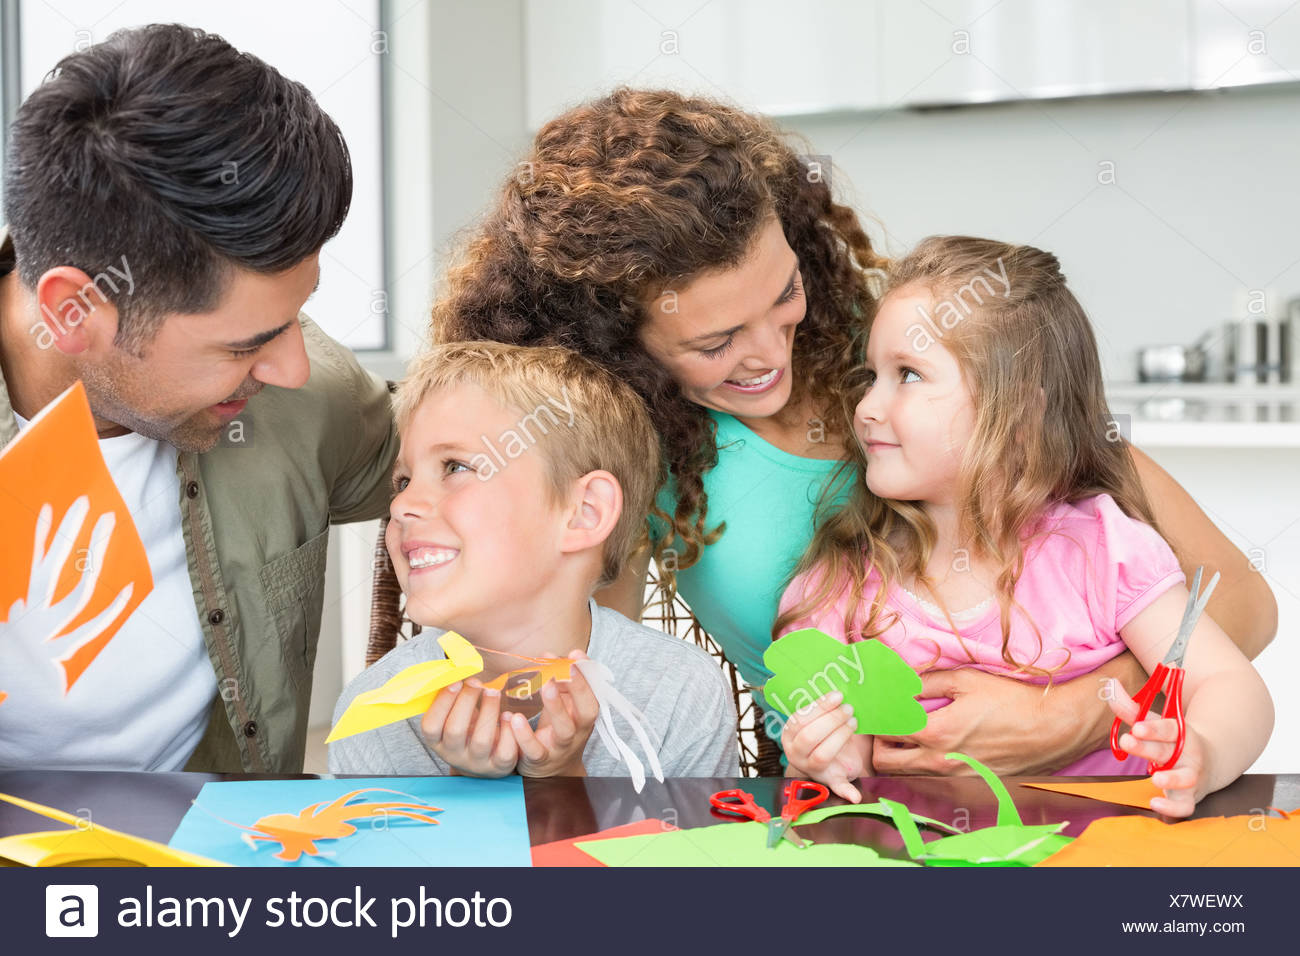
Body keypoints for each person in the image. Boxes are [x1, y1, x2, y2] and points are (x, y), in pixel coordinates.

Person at [432, 88, 1277, 774]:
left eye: (784, 295)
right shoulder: (619, 455)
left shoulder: (922, 342)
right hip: (867, 800)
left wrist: (1080, 710)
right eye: (715, 341)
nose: (771, 355)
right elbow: (595, 678)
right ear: (619, 342)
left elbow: (1240, 602)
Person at [0, 25, 396, 772]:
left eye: (297, 316)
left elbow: (510, 456)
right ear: (76, 312)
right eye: (246, 345)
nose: (293, 367)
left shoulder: (314, 399)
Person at [776, 236, 1273, 815]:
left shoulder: (1101, 548)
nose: (866, 407)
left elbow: (1233, 689)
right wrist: (819, 757)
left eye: (908, 375)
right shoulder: (842, 586)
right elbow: (838, 772)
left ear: (1018, 416)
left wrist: (1203, 755)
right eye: (872, 376)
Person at [328, 342, 738, 778]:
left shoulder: (680, 692)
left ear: (584, 513)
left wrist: (560, 782)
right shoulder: (374, 714)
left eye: (455, 467)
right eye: (403, 480)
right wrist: (470, 789)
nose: (402, 505)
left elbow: (689, 848)